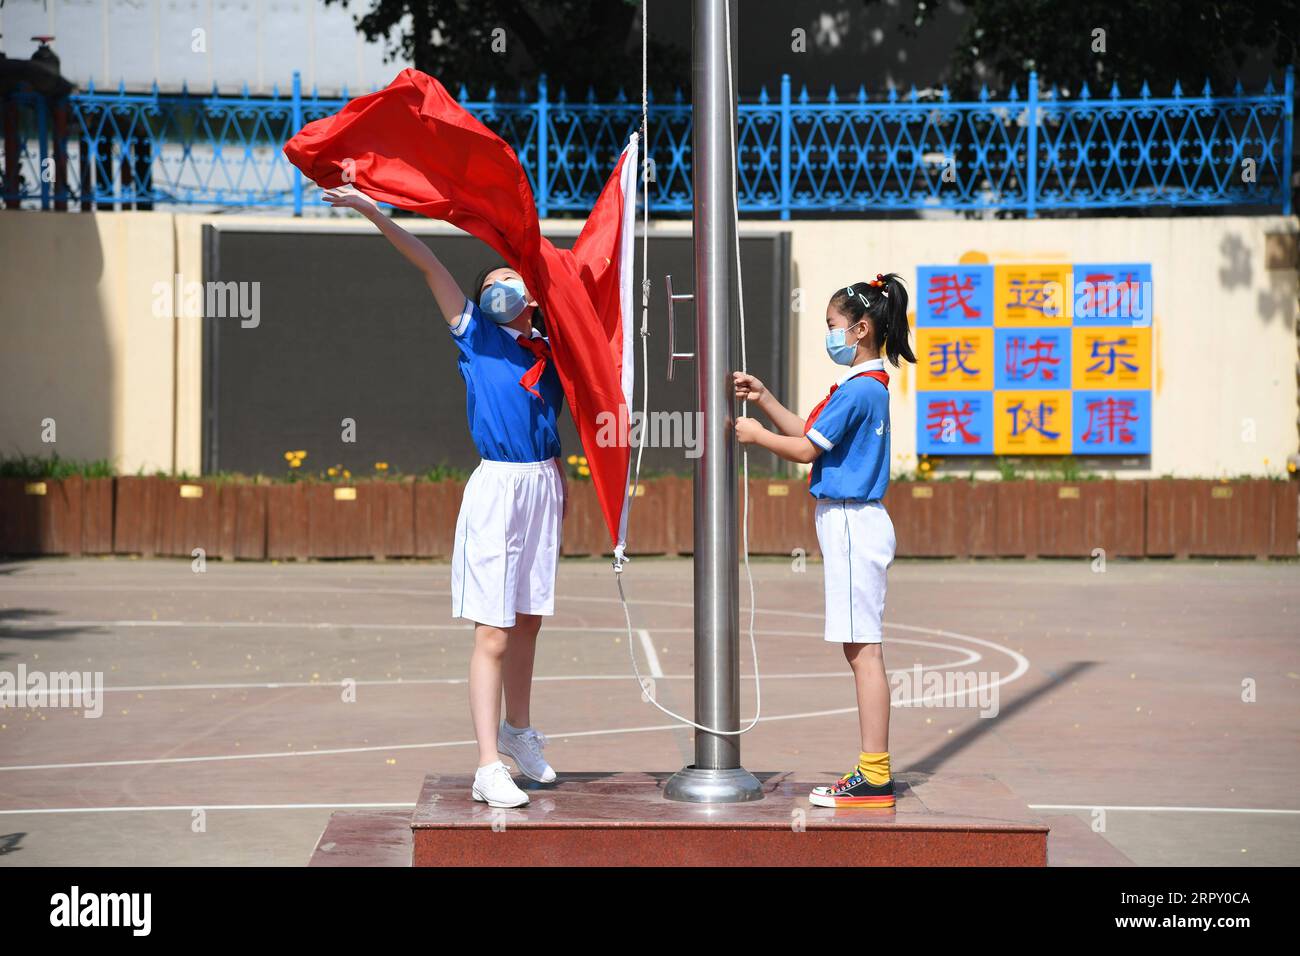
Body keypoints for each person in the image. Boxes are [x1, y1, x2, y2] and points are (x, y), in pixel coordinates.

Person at [324, 183, 566, 809]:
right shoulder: (476, 335)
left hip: (543, 485)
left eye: (508, 280)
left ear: (532, 294)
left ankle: (519, 731)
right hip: (498, 488)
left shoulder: (552, 348)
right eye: (490, 285)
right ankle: (488, 763)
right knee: (494, 631)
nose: (496, 289)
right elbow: (428, 261)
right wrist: (372, 210)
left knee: (530, 623)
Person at [734, 273, 916, 808]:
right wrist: (764, 398)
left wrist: (755, 435)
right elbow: (809, 433)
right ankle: (872, 769)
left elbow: (805, 451)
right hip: (848, 522)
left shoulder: (860, 388)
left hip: (852, 522)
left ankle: (875, 773)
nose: (829, 335)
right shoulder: (862, 386)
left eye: (834, 327)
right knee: (858, 646)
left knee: (863, 650)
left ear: (860, 329)